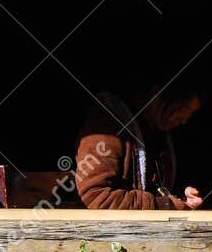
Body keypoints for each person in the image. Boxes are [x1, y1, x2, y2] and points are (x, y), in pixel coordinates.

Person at [75, 81, 204, 210]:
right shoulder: (108, 127)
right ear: (156, 94)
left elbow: (154, 187)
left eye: (190, 113)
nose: (184, 120)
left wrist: (182, 197)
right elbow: (96, 196)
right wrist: (164, 205)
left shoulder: (158, 133)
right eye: (183, 109)